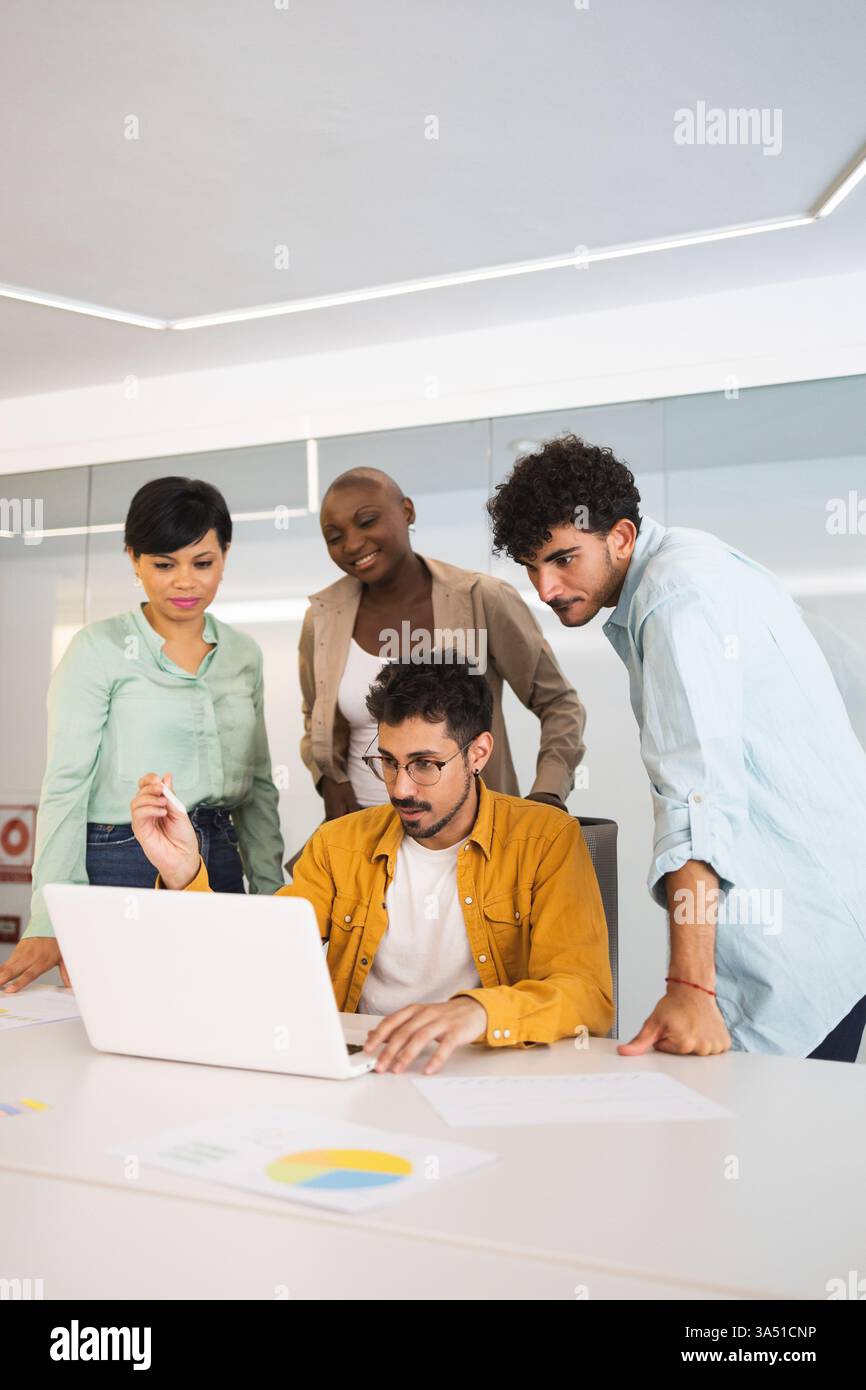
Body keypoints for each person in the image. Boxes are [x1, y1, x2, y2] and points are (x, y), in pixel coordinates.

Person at [485, 432, 866, 1061]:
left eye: (562, 558)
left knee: (767, 1144)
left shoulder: (672, 599)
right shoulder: (702, 560)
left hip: (803, 934)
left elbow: (696, 799)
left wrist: (690, 985)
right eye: (531, 566)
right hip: (833, 909)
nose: (545, 587)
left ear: (622, 537)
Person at [130, 658, 614, 1074]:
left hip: (485, 1066)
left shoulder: (548, 839)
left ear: (477, 754)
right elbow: (255, 954)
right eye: (387, 761)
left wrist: (476, 1012)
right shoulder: (339, 844)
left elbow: (585, 994)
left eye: (425, 764)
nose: (401, 788)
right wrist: (182, 873)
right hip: (368, 1067)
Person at [0, 477, 285, 994]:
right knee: (124, 1016)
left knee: (223, 1003)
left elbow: (260, 787)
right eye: (163, 564)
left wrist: (271, 893)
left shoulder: (244, 654)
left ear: (225, 554)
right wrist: (48, 917)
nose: (185, 582)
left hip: (219, 854)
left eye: (202, 562)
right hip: (119, 858)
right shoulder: (97, 649)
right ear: (133, 559)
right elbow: (66, 785)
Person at [299, 467, 586, 825]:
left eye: (367, 521)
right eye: (334, 536)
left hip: (469, 831)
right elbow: (314, 715)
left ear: (407, 511)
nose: (353, 544)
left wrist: (548, 791)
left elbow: (558, 703)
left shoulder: (481, 599)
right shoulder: (323, 618)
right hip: (363, 836)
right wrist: (329, 778)